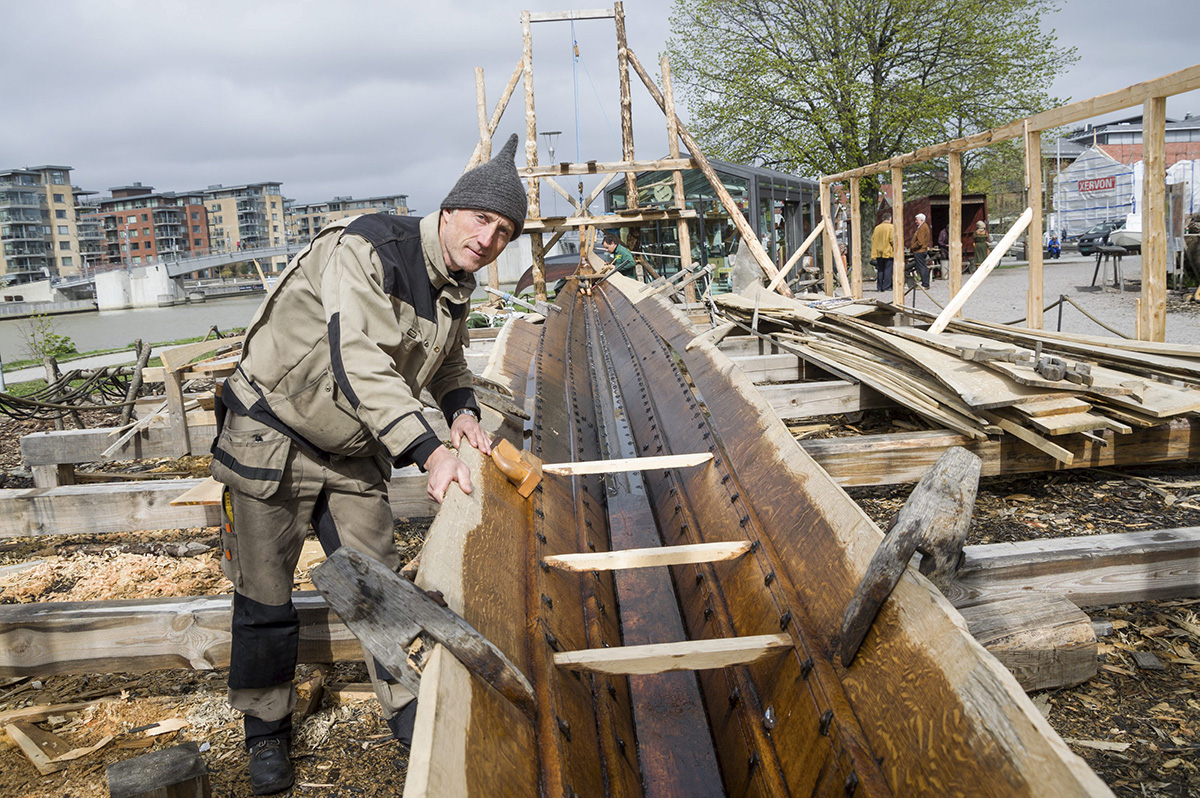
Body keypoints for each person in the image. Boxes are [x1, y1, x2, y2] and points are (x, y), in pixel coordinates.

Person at [209, 134, 527, 795]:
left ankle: (413, 719)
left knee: (380, 589)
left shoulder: (454, 285)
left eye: (504, 231)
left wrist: (462, 409)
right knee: (264, 602)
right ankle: (266, 733)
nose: (489, 238)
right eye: (481, 220)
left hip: (352, 450)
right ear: (448, 212)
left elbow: (450, 362)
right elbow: (360, 359)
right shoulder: (368, 248)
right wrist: (430, 451)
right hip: (271, 437)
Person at [869, 211, 894, 293]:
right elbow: (892, 239)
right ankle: (886, 286)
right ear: (890, 219)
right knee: (888, 270)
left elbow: (873, 239)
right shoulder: (891, 227)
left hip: (878, 252)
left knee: (880, 270)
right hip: (888, 251)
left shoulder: (877, 228)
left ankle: (879, 287)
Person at [910, 212, 931, 289]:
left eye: (917, 220)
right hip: (921, 250)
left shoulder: (922, 228)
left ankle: (925, 284)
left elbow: (920, 242)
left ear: (921, 220)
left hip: (919, 251)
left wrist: (912, 247)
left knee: (922, 267)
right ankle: (925, 283)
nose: (915, 221)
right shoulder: (923, 227)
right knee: (923, 267)